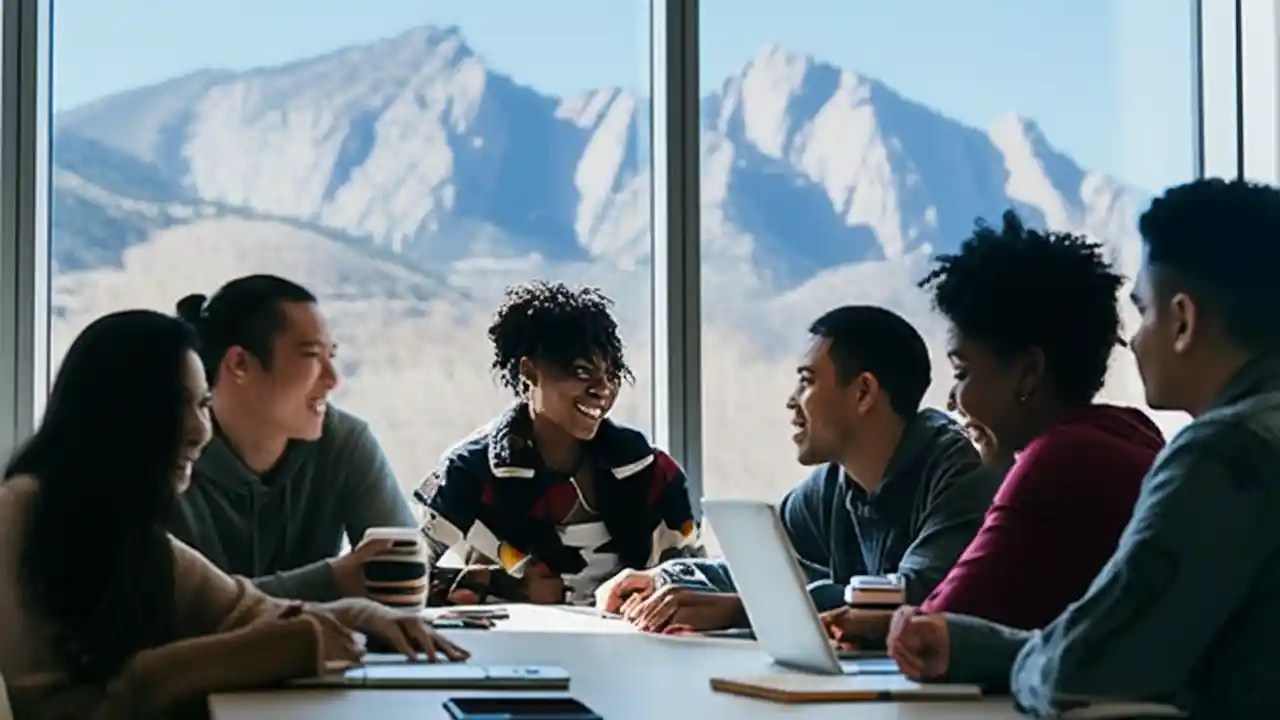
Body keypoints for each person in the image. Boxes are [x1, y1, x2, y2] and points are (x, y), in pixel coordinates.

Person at [887, 179, 1280, 718]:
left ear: (1183, 321)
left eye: (1145, 313)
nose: (1136, 340)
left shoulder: (1224, 453)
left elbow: (1085, 671)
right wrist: (976, 648)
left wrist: (1014, 657)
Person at [0, 310, 466, 719]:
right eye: (177, 406)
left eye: (204, 405)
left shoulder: (122, 529)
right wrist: (184, 670)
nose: (200, 431)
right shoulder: (17, 513)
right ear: (117, 412)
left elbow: (242, 611)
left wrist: (358, 614)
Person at [821, 212, 1164, 645]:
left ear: (1028, 373)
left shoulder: (1061, 460)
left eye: (962, 373)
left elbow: (927, 633)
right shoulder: (1129, 433)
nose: (952, 401)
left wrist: (884, 626)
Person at [598, 305, 1002, 633]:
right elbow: (765, 566)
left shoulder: (959, 471)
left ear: (863, 392)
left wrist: (742, 610)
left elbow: (915, 594)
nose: (792, 402)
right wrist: (666, 579)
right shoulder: (834, 482)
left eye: (807, 382)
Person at [415, 281, 702, 605]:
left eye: (611, 375)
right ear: (529, 371)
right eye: (581, 371)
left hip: (636, 650)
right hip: (510, 652)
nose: (602, 389)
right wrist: (501, 585)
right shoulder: (469, 474)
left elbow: (698, 579)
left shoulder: (653, 473)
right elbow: (403, 577)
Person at [169, 275, 417, 602]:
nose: (332, 379)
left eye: (332, 355)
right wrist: (330, 581)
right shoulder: (171, 457)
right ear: (240, 364)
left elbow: (401, 574)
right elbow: (176, 609)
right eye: (311, 355)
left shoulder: (344, 442)